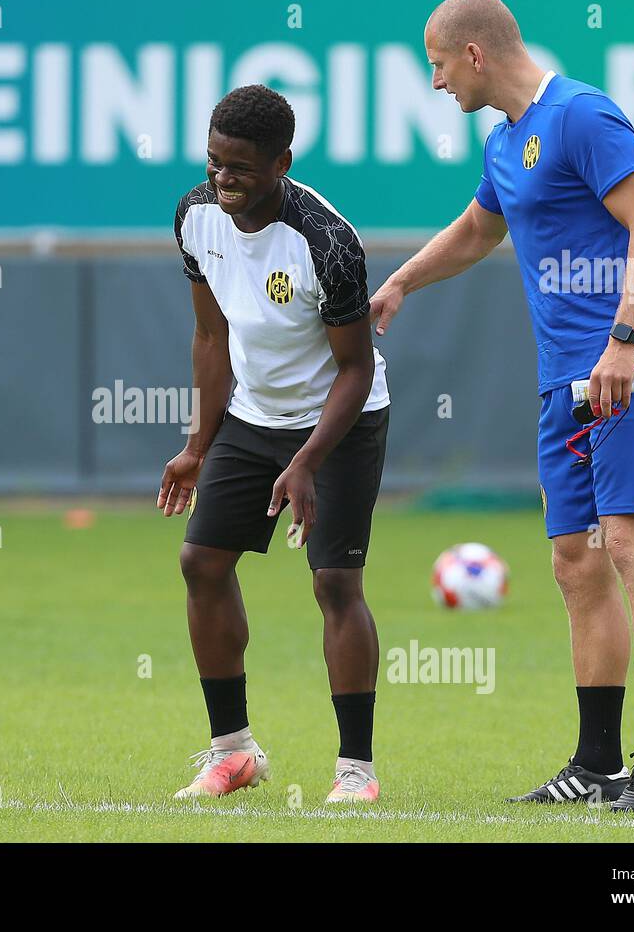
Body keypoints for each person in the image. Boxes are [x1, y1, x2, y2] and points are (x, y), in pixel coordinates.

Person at [371, 0, 634, 810]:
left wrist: (622, 343)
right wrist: (405, 280)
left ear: (474, 54)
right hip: (566, 383)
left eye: (439, 65)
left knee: (629, 544)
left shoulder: (583, 116)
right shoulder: (504, 141)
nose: (437, 82)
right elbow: (480, 231)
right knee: (575, 562)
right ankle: (597, 763)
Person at [160, 84, 391, 804]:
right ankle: (234, 753)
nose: (223, 180)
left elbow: (354, 370)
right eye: (213, 162)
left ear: (282, 163)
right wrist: (199, 445)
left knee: (333, 583)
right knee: (200, 561)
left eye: (241, 168)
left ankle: (356, 772)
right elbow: (210, 335)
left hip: (340, 423)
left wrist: (308, 462)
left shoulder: (327, 242)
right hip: (254, 419)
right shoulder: (195, 215)